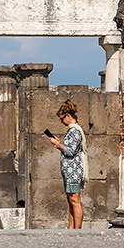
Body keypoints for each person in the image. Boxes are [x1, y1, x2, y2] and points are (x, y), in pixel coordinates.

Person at [45, 98, 86, 230]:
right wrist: (60, 142)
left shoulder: (75, 131)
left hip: (74, 170)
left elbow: (70, 151)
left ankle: (77, 229)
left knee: (75, 201)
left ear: (68, 116)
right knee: (71, 201)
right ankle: (71, 228)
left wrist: (57, 144)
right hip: (69, 171)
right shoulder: (71, 131)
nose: (62, 122)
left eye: (62, 118)